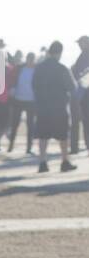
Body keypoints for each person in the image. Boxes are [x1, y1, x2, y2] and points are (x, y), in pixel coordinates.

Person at [32, 41, 77, 172]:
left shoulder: (39, 68)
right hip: (59, 107)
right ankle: (64, 161)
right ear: (60, 53)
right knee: (63, 135)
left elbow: (34, 85)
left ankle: (42, 162)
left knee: (43, 135)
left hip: (43, 107)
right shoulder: (62, 68)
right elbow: (72, 86)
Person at [8, 52, 36, 153]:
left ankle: (29, 147)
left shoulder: (37, 70)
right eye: (29, 59)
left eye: (32, 59)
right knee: (15, 123)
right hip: (18, 99)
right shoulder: (20, 68)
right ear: (27, 59)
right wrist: (11, 89)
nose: (31, 61)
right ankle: (11, 144)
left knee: (30, 125)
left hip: (31, 101)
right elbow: (12, 78)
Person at [71, 35, 89, 155]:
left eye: (80, 43)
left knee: (85, 121)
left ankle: (79, 146)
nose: (78, 45)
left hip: (84, 94)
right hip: (81, 93)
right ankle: (75, 147)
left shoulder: (85, 55)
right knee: (79, 121)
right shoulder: (82, 55)